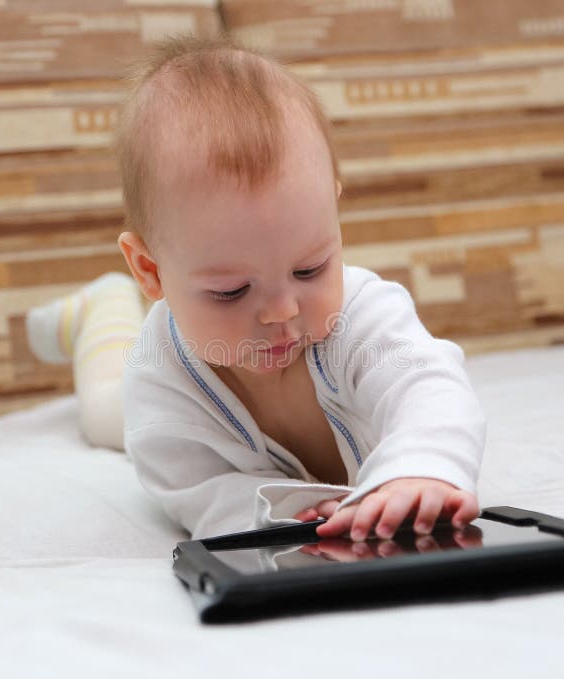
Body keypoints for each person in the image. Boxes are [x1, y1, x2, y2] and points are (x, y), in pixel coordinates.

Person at [26, 34, 486, 541]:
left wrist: (419, 467)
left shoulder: (364, 316)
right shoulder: (157, 381)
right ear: (151, 271)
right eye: (231, 290)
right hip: (134, 401)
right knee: (100, 408)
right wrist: (284, 510)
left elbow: (429, 387)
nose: (280, 310)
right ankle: (103, 306)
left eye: (309, 269)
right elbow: (196, 489)